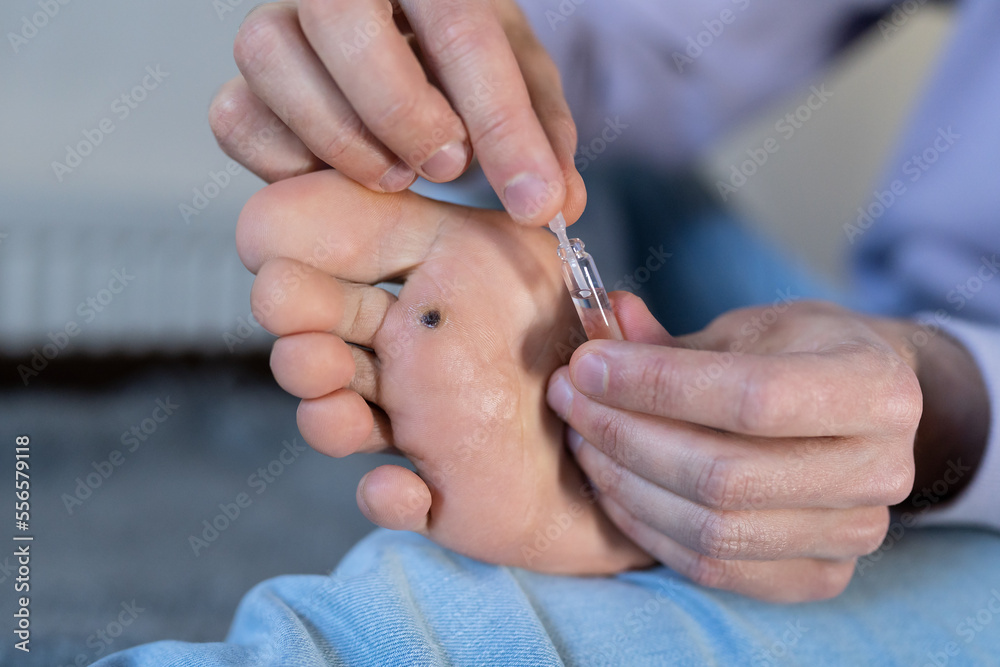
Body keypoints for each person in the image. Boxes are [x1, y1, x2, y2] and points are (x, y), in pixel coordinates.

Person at [97, 0, 1000, 663]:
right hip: (886, 316)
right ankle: (611, 430)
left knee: (527, 632)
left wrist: (957, 412)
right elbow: (662, 44)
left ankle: (461, 601)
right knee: (583, 177)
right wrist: (455, 55)